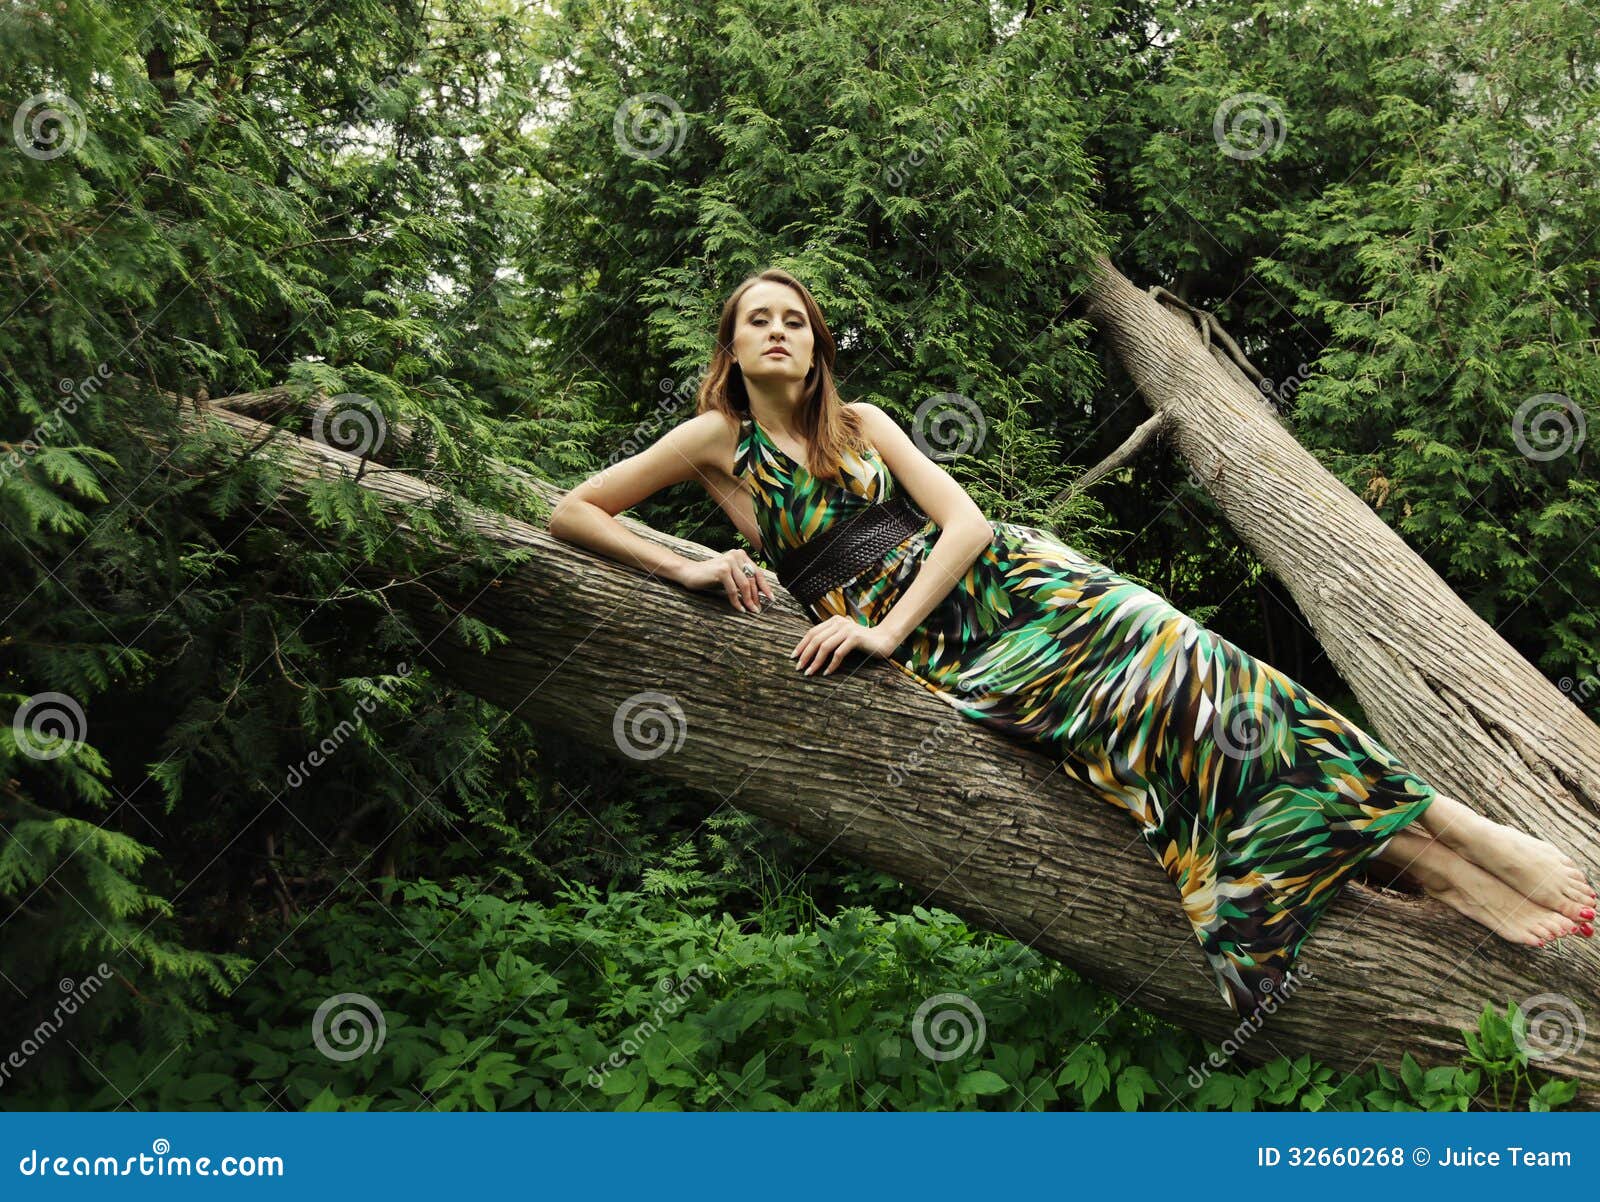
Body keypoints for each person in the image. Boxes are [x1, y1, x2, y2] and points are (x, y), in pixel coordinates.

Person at [549, 267, 1596, 1017]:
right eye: (757, 321)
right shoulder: (714, 440)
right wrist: (688, 567)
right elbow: (573, 512)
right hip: (954, 650)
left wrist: (885, 629)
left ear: (818, 346)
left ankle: (1456, 830)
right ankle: (1429, 861)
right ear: (732, 347)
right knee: (1161, 735)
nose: (778, 333)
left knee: (1200, 662)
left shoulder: (861, 422)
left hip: (1006, 585)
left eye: (795, 321)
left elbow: (963, 523)